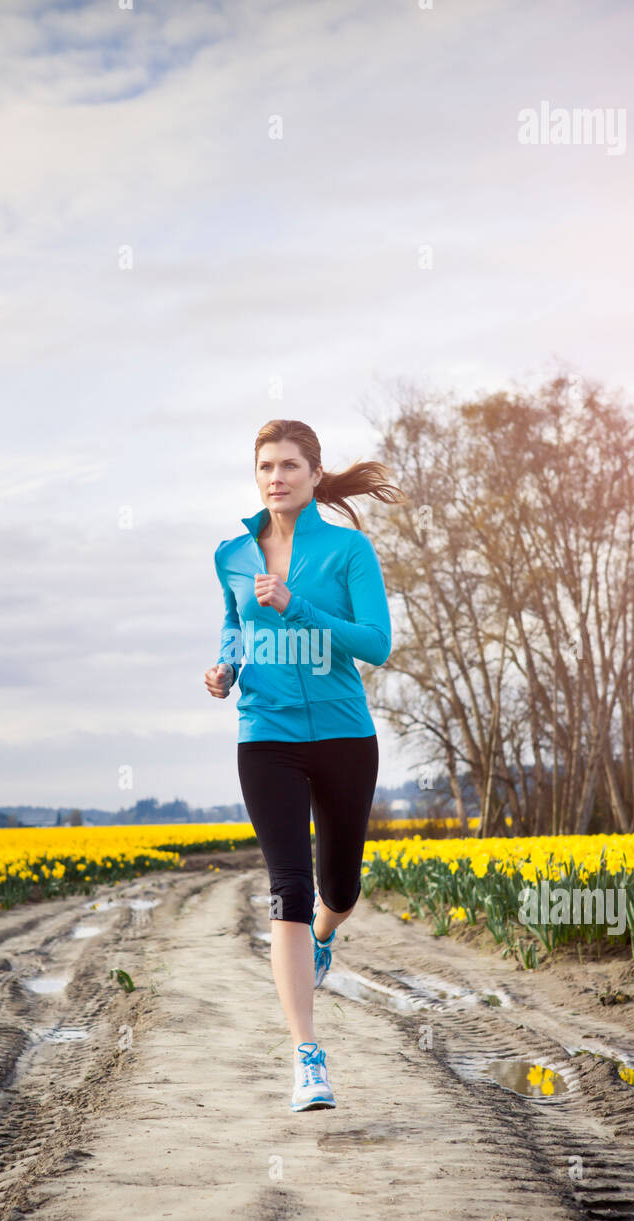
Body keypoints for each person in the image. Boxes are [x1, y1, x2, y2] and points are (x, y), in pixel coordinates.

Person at [204, 419, 405, 1112]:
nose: (276, 478)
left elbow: (376, 644)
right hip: (266, 736)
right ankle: (308, 1057)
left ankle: (326, 936)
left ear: (316, 476)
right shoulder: (232, 554)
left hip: (345, 736)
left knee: (339, 888)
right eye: (265, 467)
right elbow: (234, 625)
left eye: (289, 466)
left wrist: (298, 604)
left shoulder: (349, 551)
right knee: (287, 885)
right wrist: (226, 668)